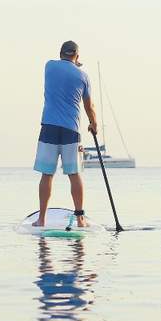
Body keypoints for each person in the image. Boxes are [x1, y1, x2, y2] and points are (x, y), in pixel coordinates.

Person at [32, 41, 99, 228]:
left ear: (60, 53)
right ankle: (80, 219)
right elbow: (89, 107)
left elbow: (63, 64)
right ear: (77, 56)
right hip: (71, 130)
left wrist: (73, 62)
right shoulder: (83, 77)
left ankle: (42, 219)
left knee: (47, 174)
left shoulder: (49, 66)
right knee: (74, 174)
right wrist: (93, 124)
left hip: (49, 128)